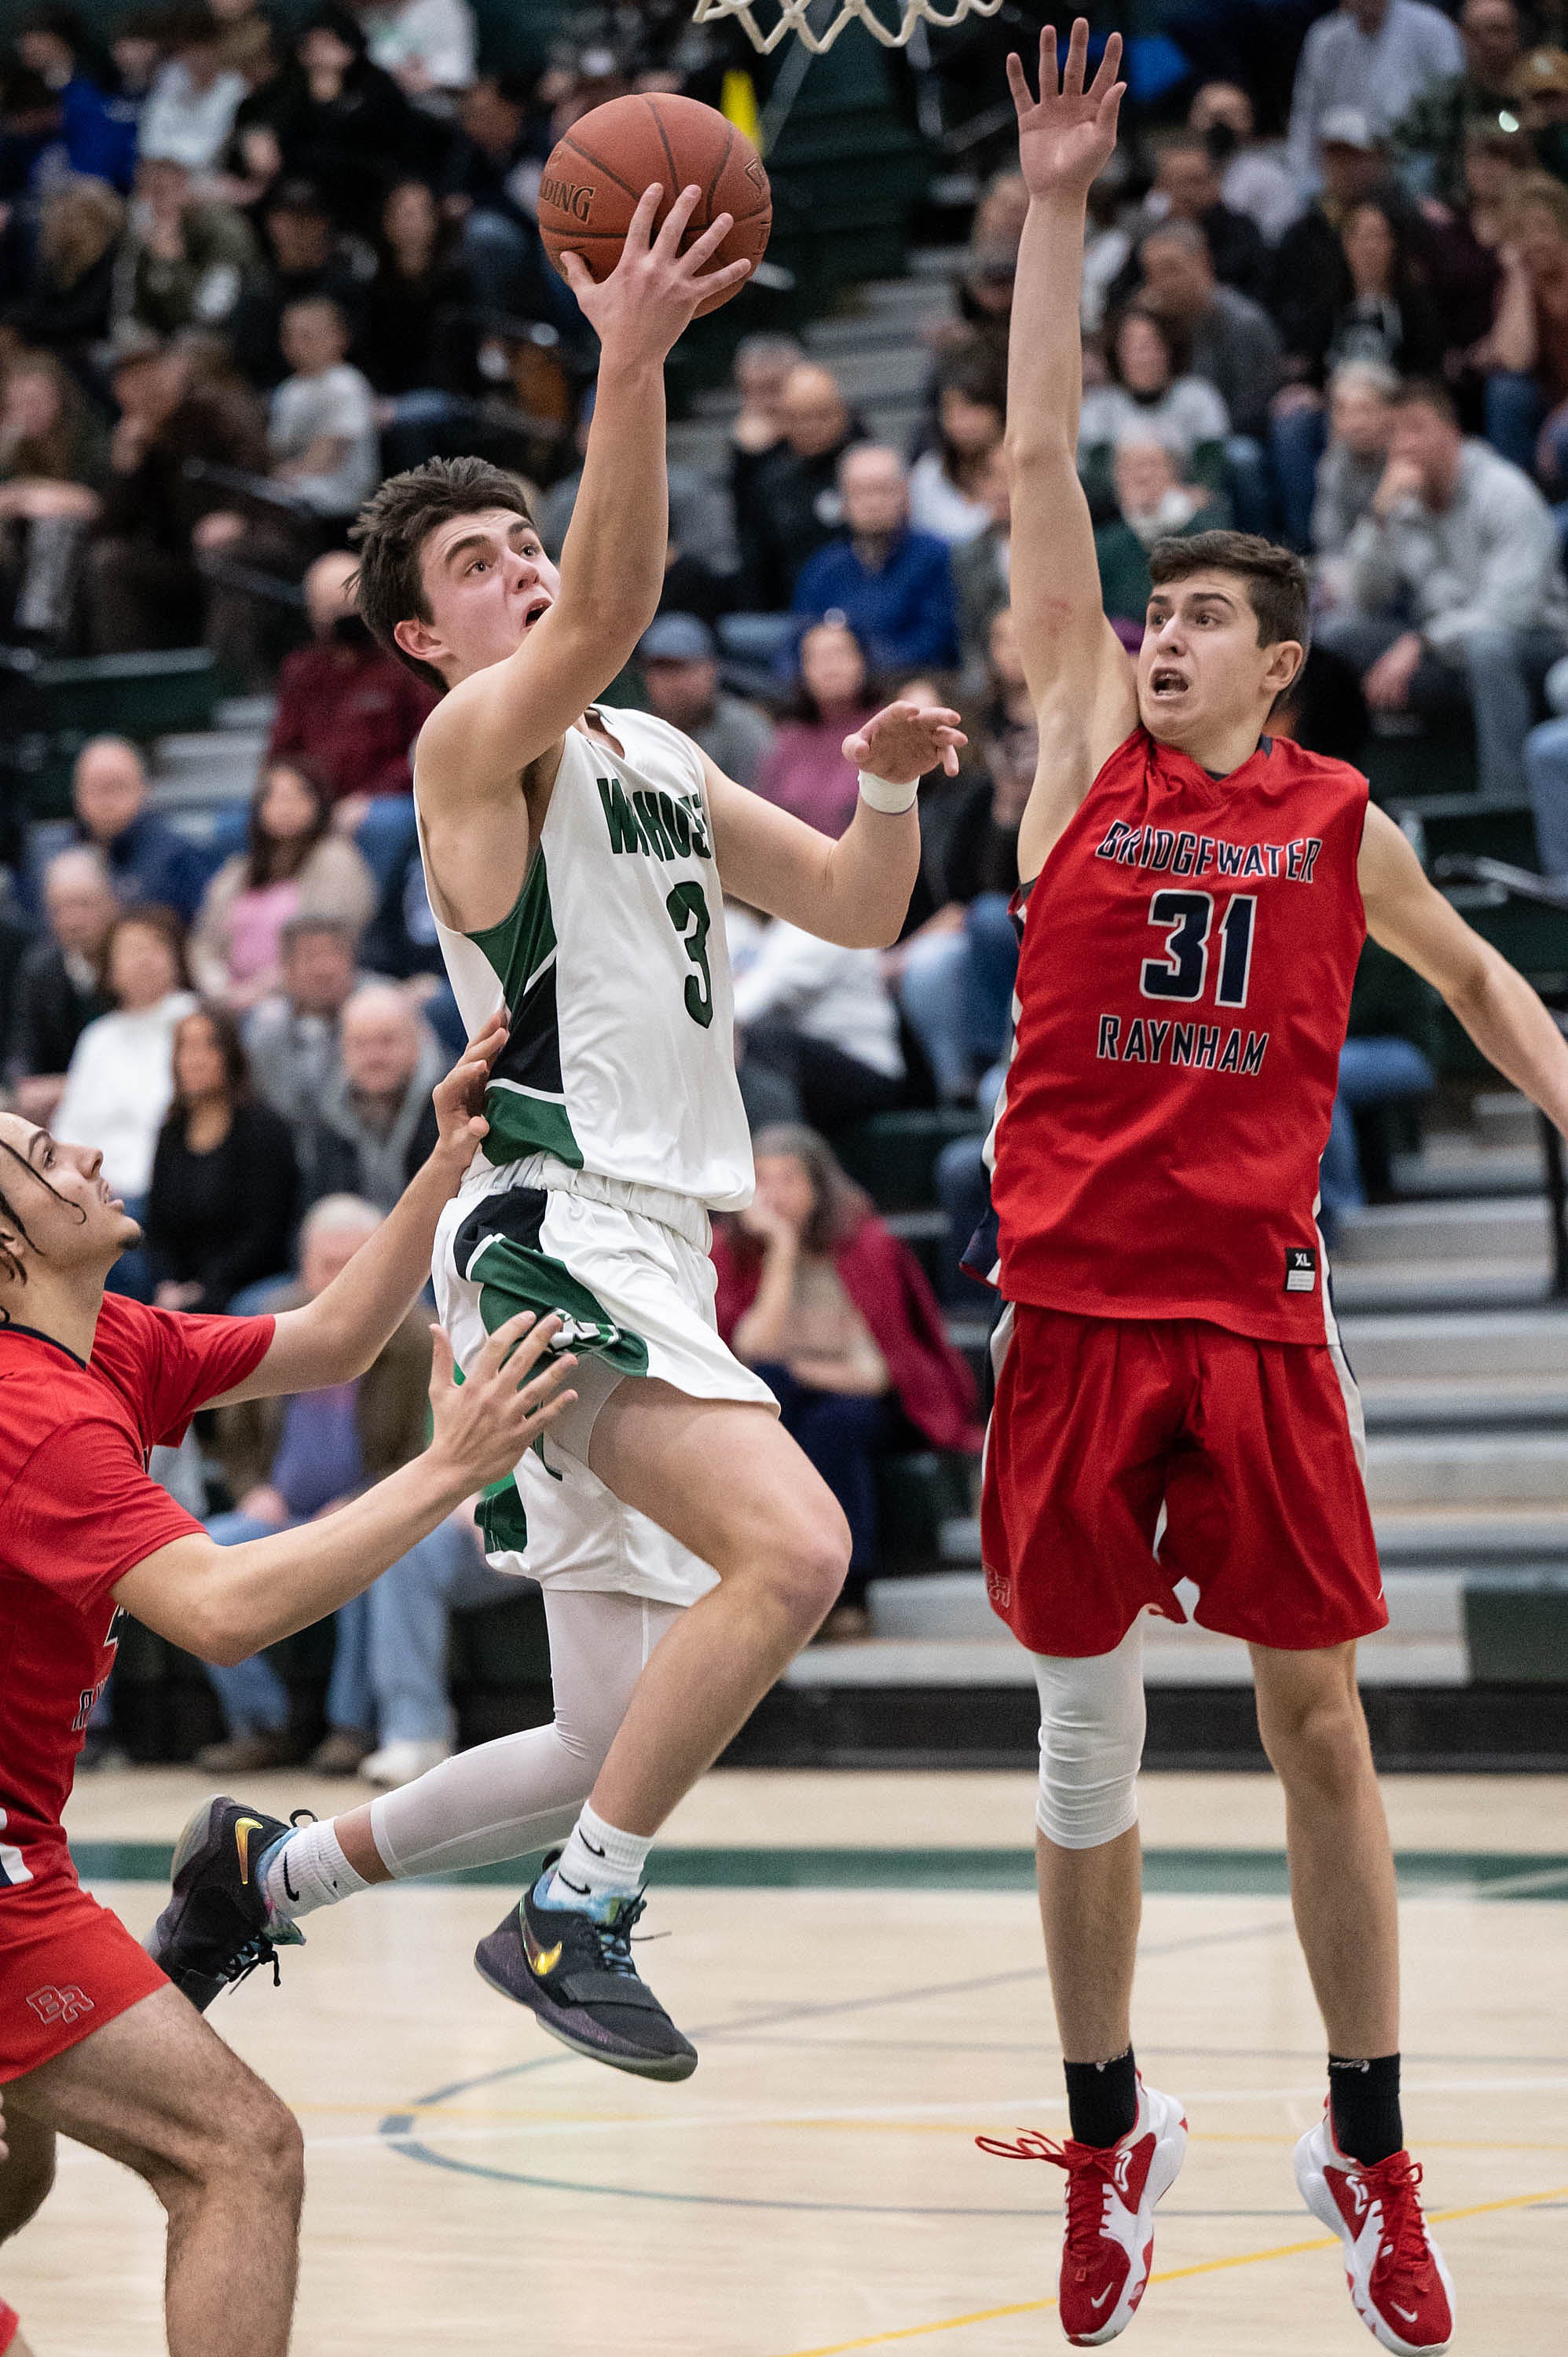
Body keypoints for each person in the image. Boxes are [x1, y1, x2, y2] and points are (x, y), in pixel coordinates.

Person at [149, 188, 964, 2084]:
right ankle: (572, 1915)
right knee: (796, 1551)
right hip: (550, 1225)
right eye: (487, 564)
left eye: (531, 540)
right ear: (425, 639)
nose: (527, 568)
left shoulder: (659, 759)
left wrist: (893, 793)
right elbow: (610, 609)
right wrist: (631, 357)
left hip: (652, 1236)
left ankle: (267, 1870)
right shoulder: (464, 756)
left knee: (608, 1735)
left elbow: (855, 912)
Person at [963, 26, 1568, 2344]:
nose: (1155, 629)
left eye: (1198, 617)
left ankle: (1368, 2144)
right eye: (1148, 611)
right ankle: (1108, 2134)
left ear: (1280, 668)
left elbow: (1491, 998)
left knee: (1317, 1724)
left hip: (1251, 1310)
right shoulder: (1070, 762)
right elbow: (1034, 455)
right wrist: (1047, 204)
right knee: (1083, 1729)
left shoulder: (1337, 825)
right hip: (1071, 1315)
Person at [0, 1024, 572, 2357]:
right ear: (10, 1253)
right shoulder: (34, 1419)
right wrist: (443, 1471)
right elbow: (221, 1612)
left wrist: (441, 1164)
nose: (84, 1149)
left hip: (27, 1840)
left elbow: (329, 1337)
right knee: (238, 2153)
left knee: (17, 2170)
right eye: (43, 1159)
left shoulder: (115, 1341)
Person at [196, 1192, 430, 1774]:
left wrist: (360, 1504)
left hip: (368, 1509)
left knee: (368, 1556)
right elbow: (235, 1437)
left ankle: (351, 1729)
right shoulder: (267, 1323)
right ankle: (262, 1725)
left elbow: (422, 1452)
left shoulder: (417, 1338)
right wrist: (253, 1489)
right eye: (328, 1265)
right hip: (277, 1509)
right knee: (201, 1553)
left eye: (357, 1263)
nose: (341, 1281)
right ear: (304, 1265)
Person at [713, 1125, 978, 1639]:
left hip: (876, 1401)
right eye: (761, 1180)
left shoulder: (866, 1246)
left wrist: (798, 1371)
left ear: (819, 1185)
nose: (773, 1195)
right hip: (786, 1393)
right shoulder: (732, 1253)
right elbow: (749, 1351)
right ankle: (775, 1582)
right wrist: (782, 1251)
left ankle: (846, 1589)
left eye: (789, 1179)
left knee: (828, 1421)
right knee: (773, 1399)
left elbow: (876, 1374)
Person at [1315, 378, 1568, 803]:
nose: (1404, 445)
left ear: (1452, 434)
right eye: (1394, 433)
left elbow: (1512, 610)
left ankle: (1503, 809)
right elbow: (1362, 597)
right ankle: (1341, 806)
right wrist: (1377, 521)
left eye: (1416, 429)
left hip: (1537, 644)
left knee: (1488, 647)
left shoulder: (1504, 492)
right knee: (1335, 637)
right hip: (1445, 654)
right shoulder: (1403, 502)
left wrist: (1423, 642)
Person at [145, 1002, 298, 1313]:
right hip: (181, 1287)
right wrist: (168, 1284)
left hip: (249, 1282)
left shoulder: (265, 1130)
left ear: (230, 1055)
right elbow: (157, 1226)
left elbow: (266, 1233)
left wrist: (203, 1287)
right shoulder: (170, 1133)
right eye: (184, 1048)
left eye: (208, 1047)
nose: (194, 1060)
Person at [54, 904, 196, 1227]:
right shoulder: (98, 1038)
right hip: (97, 1191)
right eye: (131, 951)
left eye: (154, 947)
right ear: (110, 969)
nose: (144, 960)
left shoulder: (196, 1022)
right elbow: (70, 1128)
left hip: (166, 1194)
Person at [189, 759, 376, 1003]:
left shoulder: (337, 859)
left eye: (297, 796)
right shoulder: (238, 871)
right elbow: (204, 944)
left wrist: (262, 989)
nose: (285, 807)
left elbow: (331, 943)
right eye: (274, 797)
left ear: (318, 803)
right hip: (230, 997)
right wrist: (220, 987)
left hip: (305, 996)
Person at [266, 546, 438, 806]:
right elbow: (284, 751)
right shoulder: (301, 669)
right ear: (313, 614)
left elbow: (426, 747)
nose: (346, 616)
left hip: (387, 799)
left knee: (381, 823)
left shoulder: (403, 662)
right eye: (333, 609)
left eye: (352, 605)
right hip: (318, 803)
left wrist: (371, 796)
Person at [730, 899, 906, 1136]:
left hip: (866, 1070)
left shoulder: (828, 918)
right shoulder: (772, 928)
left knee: (761, 1038)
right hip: (812, 1066)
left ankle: (783, 1156)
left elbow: (747, 1004)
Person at [789, 444, 959, 673]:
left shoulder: (935, 558)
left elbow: (935, 642)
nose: (872, 503)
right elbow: (797, 643)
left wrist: (860, 670)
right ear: (843, 501)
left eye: (882, 490)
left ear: (905, 494)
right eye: (860, 492)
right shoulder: (822, 569)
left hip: (915, 686)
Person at [294, 981, 445, 1210]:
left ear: (418, 1040)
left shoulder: (453, 1104)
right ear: (343, 1051)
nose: (374, 1057)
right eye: (360, 1044)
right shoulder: (327, 1116)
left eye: (387, 1041)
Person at [1288, 0, 1465, 192]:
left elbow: (1455, 105)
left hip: (1412, 164)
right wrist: (1300, 176)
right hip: (1340, 159)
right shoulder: (1324, 37)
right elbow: (1306, 117)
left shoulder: (1433, 29)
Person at [1077, 304, 1230, 507]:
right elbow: (1094, 474)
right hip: (1120, 507)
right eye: (1133, 347)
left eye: (1151, 344)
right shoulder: (1100, 407)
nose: (1143, 357)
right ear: (1117, 352)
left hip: (1186, 503)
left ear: (1169, 349)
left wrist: (1182, 495)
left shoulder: (1197, 397)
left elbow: (1212, 466)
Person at [738, 358, 861, 610]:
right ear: (782, 420)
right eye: (798, 417)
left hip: (863, 605)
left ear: (841, 413)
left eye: (821, 414)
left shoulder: (865, 468)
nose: (810, 427)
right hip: (791, 611)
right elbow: (757, 559)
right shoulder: (769, 480)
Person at [6, 845, 115, 1120]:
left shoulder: (136, 962)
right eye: (60, 909)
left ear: (112, 901)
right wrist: (22, 1086)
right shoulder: (40, 969)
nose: (73, 920)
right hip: (58, 1114)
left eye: (84, 904)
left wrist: (69, 1087)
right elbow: (23, 1053)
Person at [753, 617, 880, 838]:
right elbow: (761, 818)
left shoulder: (886, 727)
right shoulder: (788, 738)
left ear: (863, 660)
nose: (831, 666)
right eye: (817, 658)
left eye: (841, 653)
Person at [1393, 0, 1526, 203]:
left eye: (1498, 30)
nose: (1489, 41)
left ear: (1517, 34)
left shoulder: (1541, 93)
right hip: (1454, 213)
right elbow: (1399, 152)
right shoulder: (1440, 101)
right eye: (1476, 34)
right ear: (1462, 37)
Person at [68, 735, 207, 923]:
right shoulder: (62, 861)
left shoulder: (178, 857)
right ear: (77, 796)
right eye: (95, 788)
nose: (106, 801)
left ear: (144, 790)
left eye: (117, 787)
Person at [241, 911, 362, 1128]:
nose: (325, 969)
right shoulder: (266, 1027)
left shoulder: (382, 1009)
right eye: (311, 956)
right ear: (286, 968)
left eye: (334, 954)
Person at [635, 613, 774, 790]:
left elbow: (760, 802)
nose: (671, 682)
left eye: (681, 667)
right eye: (660, 669)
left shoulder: (744, 728)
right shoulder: (636, 728)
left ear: (711, 670)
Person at [907, 353, 1006, 545]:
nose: (962, 423)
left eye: (973, 407)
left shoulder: (1023, 468)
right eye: (951, 411)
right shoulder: (928, 473)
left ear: (997, 409)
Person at [1187, 81, 1300, 244]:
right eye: (1212, 117)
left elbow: (1277, 237)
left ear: (1247, 122)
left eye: (1227, 117)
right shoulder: (1180, 170)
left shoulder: (1266, 176)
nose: (1219, 128)